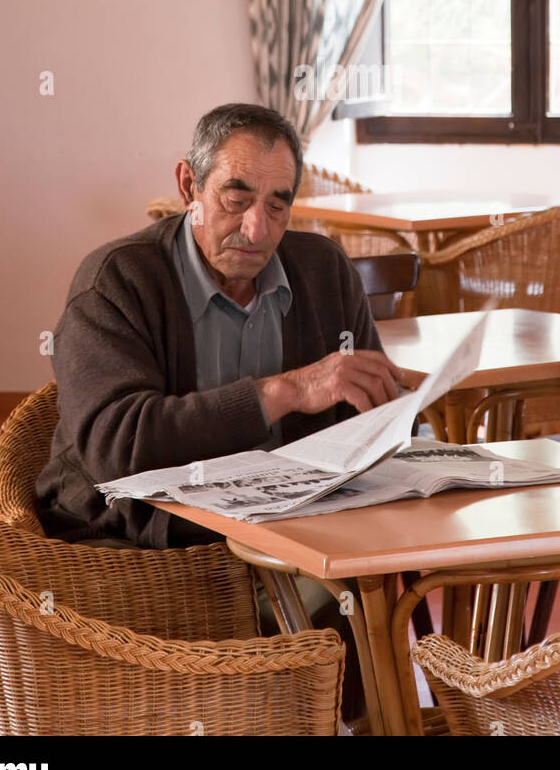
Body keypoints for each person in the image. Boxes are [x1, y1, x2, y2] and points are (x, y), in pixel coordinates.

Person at [35, 101, 404, 549]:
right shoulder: (115, 281)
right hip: (139, 535)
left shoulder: (324, 269)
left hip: (288, 525)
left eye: (276, 206)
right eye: (236, 200)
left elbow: (369, 419)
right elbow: (117, 449)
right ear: (189, 187)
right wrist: (285, 392)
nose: (256, 230)